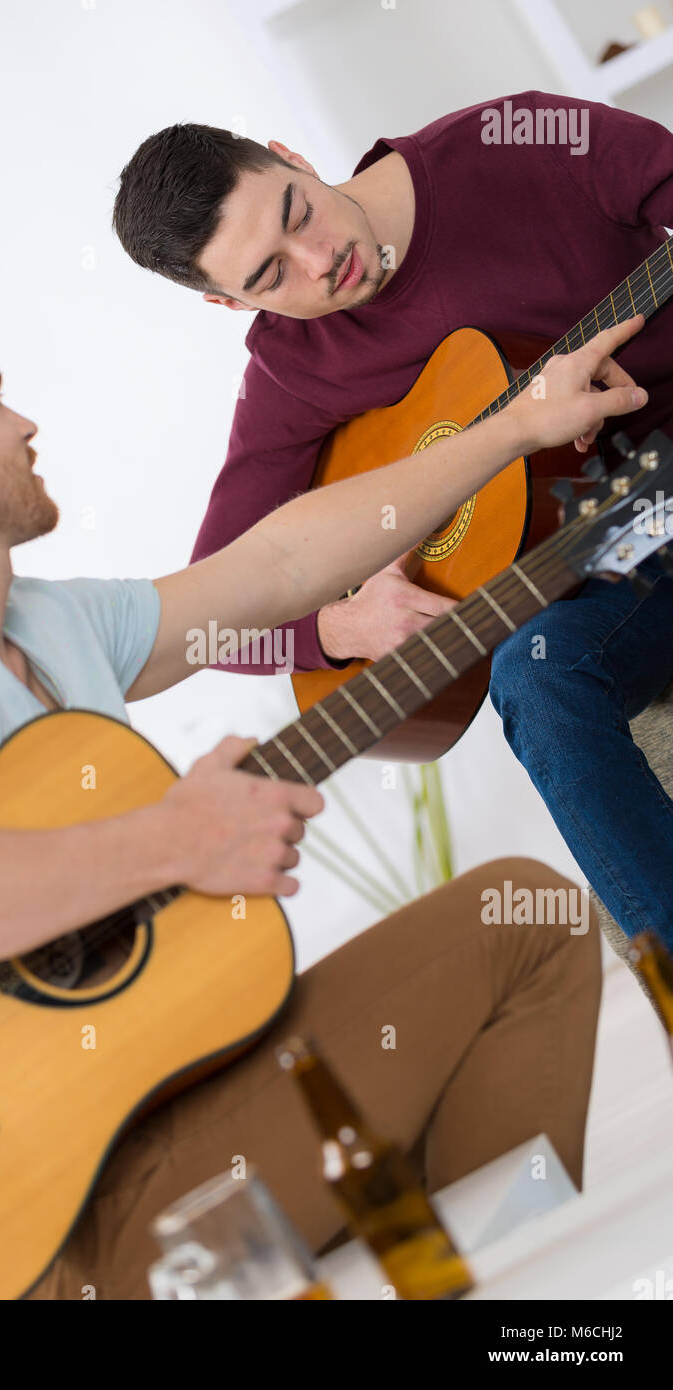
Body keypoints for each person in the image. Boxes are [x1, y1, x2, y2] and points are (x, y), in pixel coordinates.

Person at [0, 271, 642, 1297]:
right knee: (519, 936)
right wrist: (176, 840)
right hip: (46, 1221)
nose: (24, 423)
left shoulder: (50, 623)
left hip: (158, 1113)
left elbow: (280, 565)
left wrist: (514, 428)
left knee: (520, 927)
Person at [112, 88, 673, 946]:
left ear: (289, 155)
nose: (318, 259)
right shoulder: (292, 370)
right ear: (229, 305)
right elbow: (213, 613)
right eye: (271, 276)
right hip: (610, 560)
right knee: (535, 675)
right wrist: (338, 627)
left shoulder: (512, 140)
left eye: (298, 213)